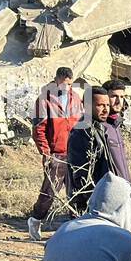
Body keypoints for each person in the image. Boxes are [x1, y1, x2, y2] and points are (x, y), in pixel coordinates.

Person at [29, 66, 84, 240]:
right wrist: (45, 152)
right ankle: (36, 219)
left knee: (76, 191)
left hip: (75, 152)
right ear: (56, 80)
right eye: (63, 84)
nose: (66, 88)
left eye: (69, 84)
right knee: (50, 191)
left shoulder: (76, 99)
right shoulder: (44, 100)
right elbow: (39, 129)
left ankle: (76, 227)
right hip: (56, 153)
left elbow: (81, 123)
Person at [67, 86, 131, 212]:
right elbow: (81, 174)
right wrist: (93, 203)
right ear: (87, 106)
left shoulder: (100, 128)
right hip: (93, 203)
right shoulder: (83, 131)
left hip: (106, 196)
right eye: (100, 105)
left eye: (107, 105)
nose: (105, 109)